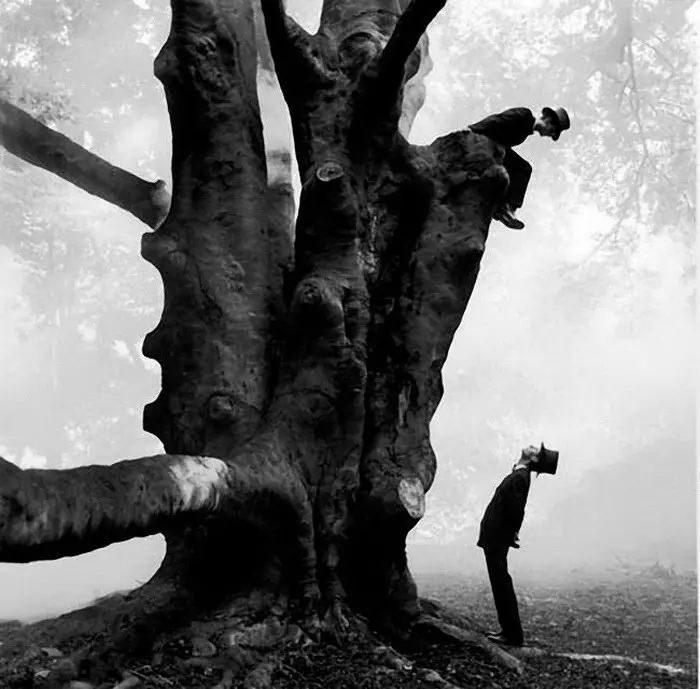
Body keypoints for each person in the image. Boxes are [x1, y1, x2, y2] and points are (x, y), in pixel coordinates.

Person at [477, 443, 560, 648]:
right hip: (497, 536)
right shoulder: (519, 475)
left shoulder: (520, 478)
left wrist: (511, 533)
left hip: (497, 537)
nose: (532, 447)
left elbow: (516, 511)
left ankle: (512, 634)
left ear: (533, 460)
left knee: (501, 584)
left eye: (536, 451)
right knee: (500, 582)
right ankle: (509, 631)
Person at [468, 107, 571, 230]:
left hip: (488, 147)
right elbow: (496, 121)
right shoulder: (524, 116)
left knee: (510, 173)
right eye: (552, 131)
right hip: (480, 141)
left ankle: (500, 206)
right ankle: (507, 208)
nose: (548, 135)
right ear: (548, 120)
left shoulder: (524, 132)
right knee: (524, 169)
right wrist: (470, 132)